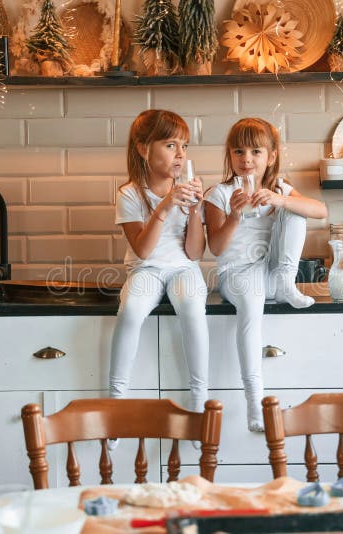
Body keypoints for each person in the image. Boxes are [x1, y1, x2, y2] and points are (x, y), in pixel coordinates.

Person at [204, 118, 328, 432]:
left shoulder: (278, 188)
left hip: (274, 275)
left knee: (295, 210)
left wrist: (280, 199)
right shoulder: (219, 193)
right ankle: (255, 406)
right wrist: (235, 214)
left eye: (256, 151)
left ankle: (288, 282)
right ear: (230, 156)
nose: (247, 159)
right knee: (251, 310)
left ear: (270, 156)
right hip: (239, 274)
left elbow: (320, 210)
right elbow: (216, 248)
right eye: (239, 151)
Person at [109, 110, 209, 439]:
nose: (181, 154)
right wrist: (165, 206)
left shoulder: (189, 191)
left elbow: (195, 253)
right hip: (147, 269)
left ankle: (199, 403)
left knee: (193, 309)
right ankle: (116, 402)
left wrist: (196, 211)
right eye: (170, 145)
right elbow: (143, 249)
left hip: (183, 267)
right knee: (132, 310)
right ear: (143, 149)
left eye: (185, 146)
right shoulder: (129, 194)